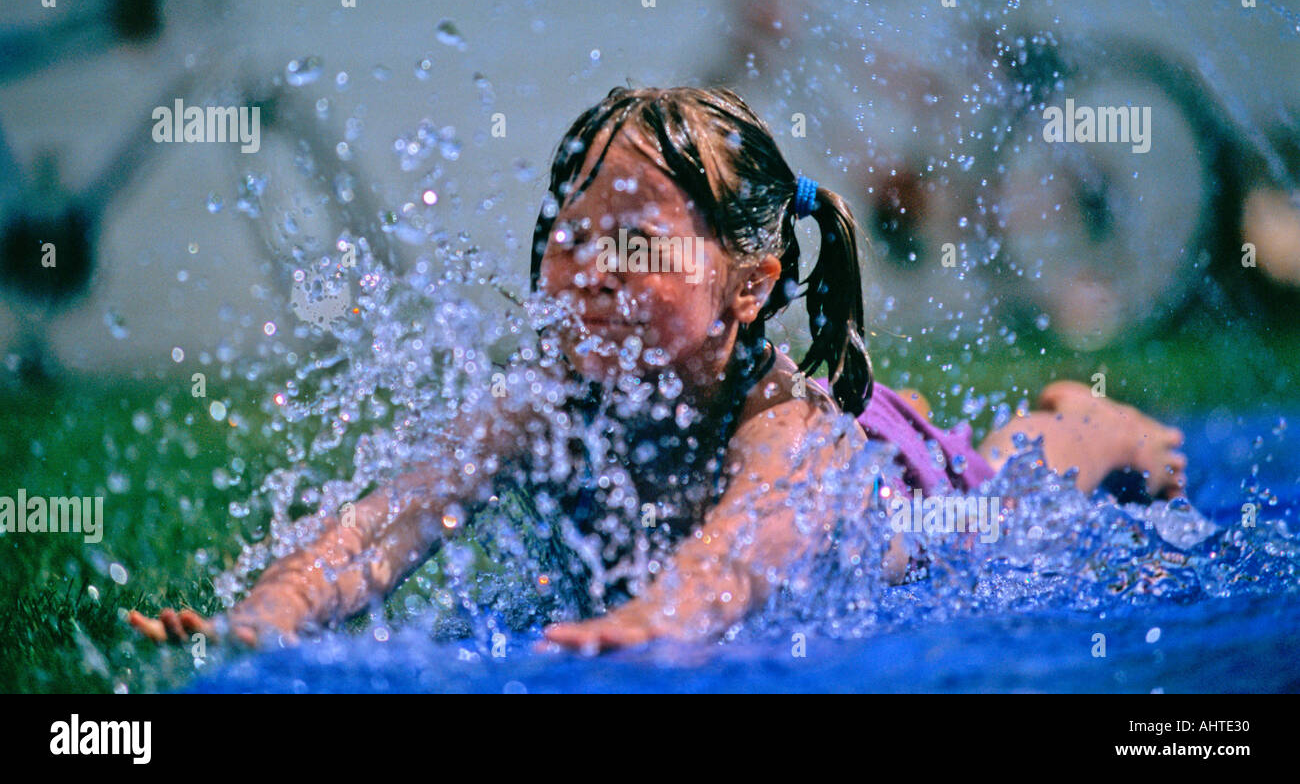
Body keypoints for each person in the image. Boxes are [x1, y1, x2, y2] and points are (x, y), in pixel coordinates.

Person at [131, 86, 1187, 653]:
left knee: (1005, 492)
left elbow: (735, 553)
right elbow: (377, 526)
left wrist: (653, 616)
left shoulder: (787, 429)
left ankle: (1084, 421)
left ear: (747, 284)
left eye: (633, 243)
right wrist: (262, 616)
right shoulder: (538, 406)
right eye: (567, 235)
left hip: (911, 501)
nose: (588, 270)